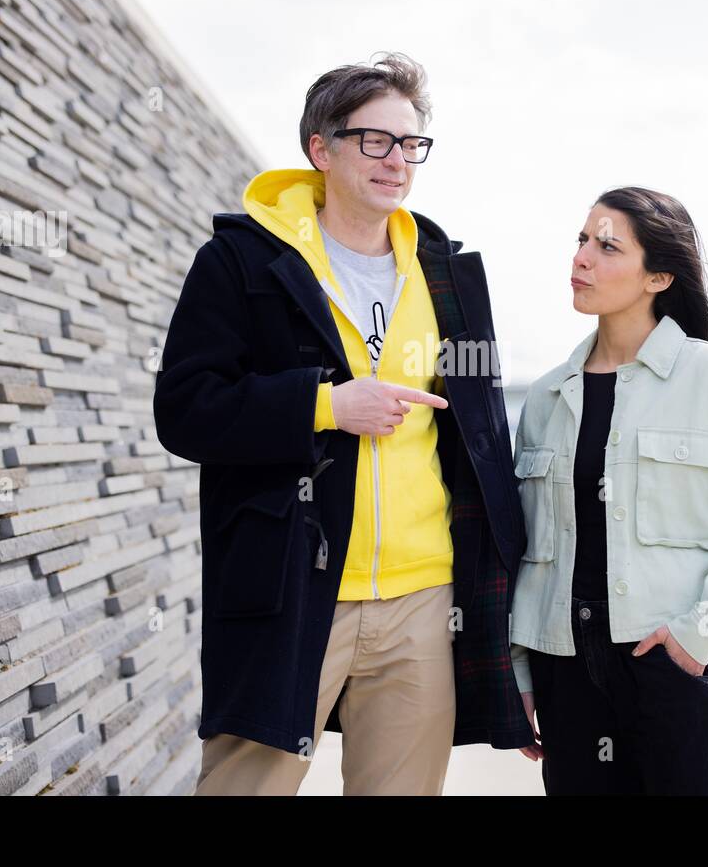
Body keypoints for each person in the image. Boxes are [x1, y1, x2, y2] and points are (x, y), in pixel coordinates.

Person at [153, 52, 532, 795]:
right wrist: (325, 405)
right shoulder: (242, 262)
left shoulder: (447, 273)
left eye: (411, 143)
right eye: (376, 140)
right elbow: (184, 408)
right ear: (320, 149)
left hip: (424, 598)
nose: (398, 160)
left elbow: (482, 442)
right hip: (289, 585)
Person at [509, 187, 708, 794]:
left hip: (672, 663)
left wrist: (698, 636)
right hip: (565, 675)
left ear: (659, 276)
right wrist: (518, 667)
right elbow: (526, 543)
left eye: (607, 246)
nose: (582, 259)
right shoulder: (545, 397)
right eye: (582, 240)